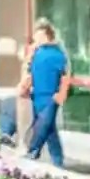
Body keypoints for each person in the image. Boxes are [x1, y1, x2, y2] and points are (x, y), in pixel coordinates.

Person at [20, 22, 69, 168]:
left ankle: (33, 151)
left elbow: (66, 76)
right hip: (37, 95)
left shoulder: (58, 54)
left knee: (43, 125)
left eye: (39, 36)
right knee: (49, 129)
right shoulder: (36, 53)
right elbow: (28, 71)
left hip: (50, 97)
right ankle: (58, 160)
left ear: (47, 36)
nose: (36, 39)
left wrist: (60, 95)